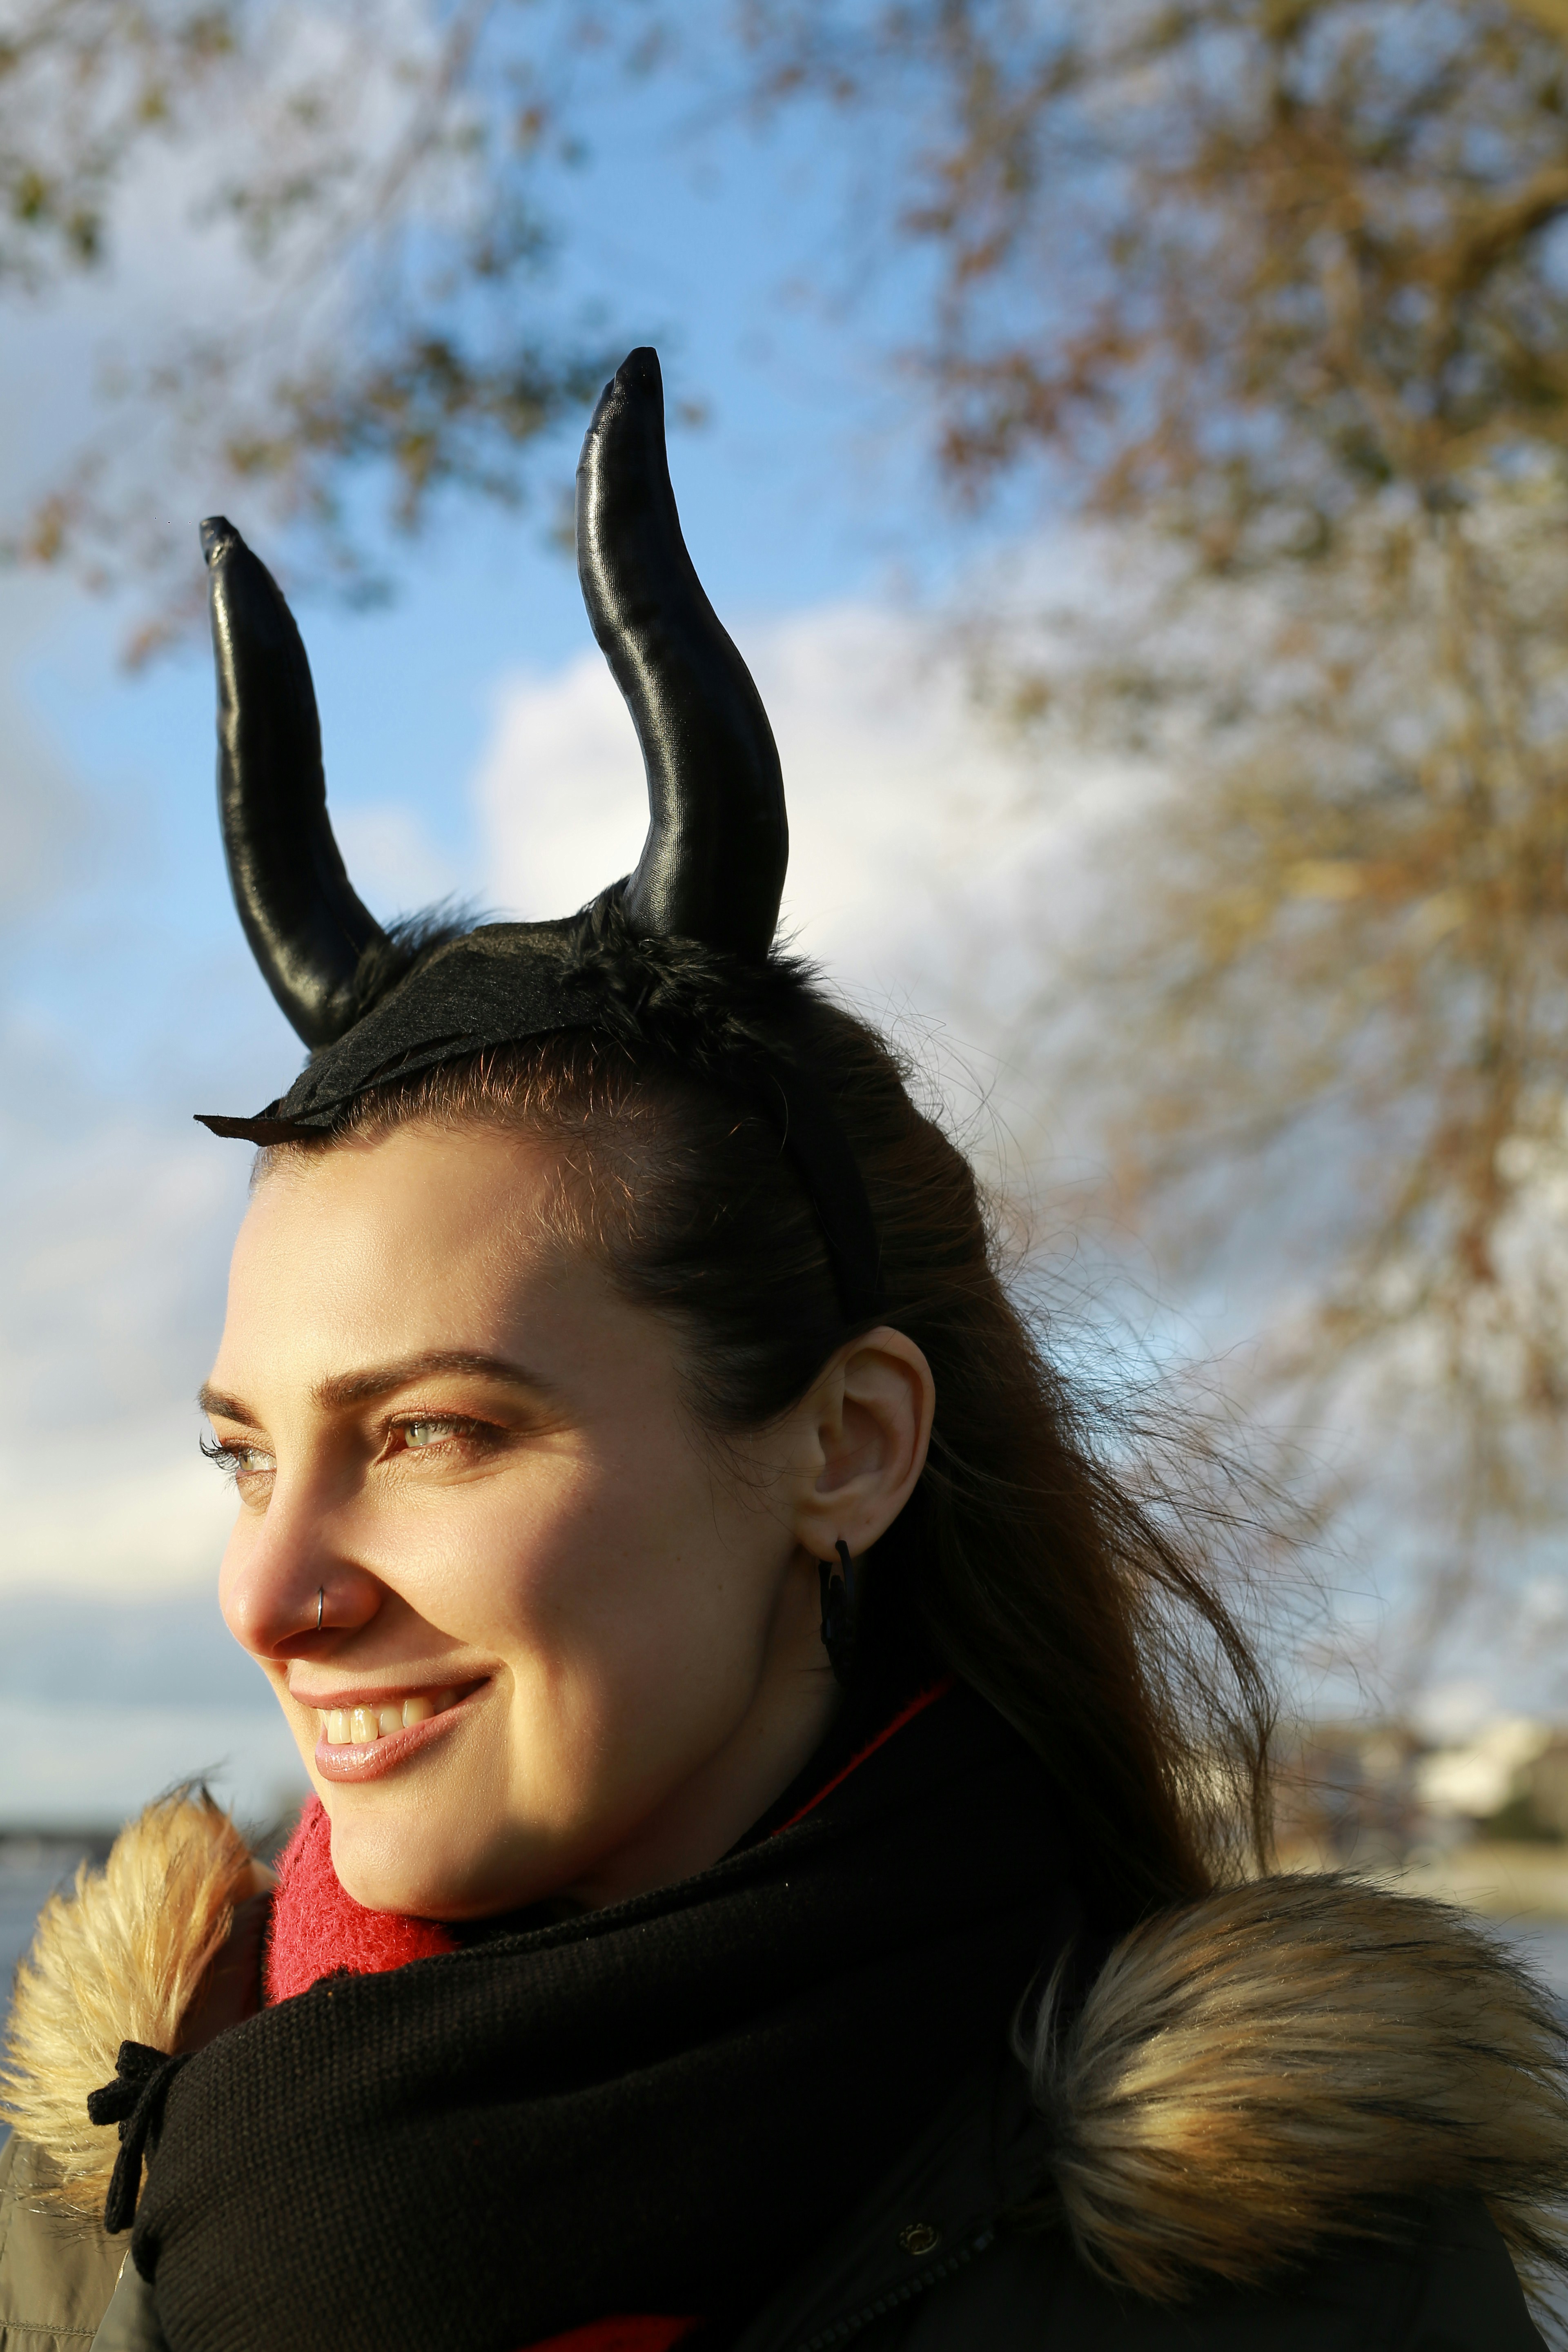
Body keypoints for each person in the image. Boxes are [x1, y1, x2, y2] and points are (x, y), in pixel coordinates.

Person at [0, 350, 1562, 2352]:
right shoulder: (86, 2221)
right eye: (246, 1451)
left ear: (846, 1445)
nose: (270, 1590)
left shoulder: (1286, 2293)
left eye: (438, 1434)